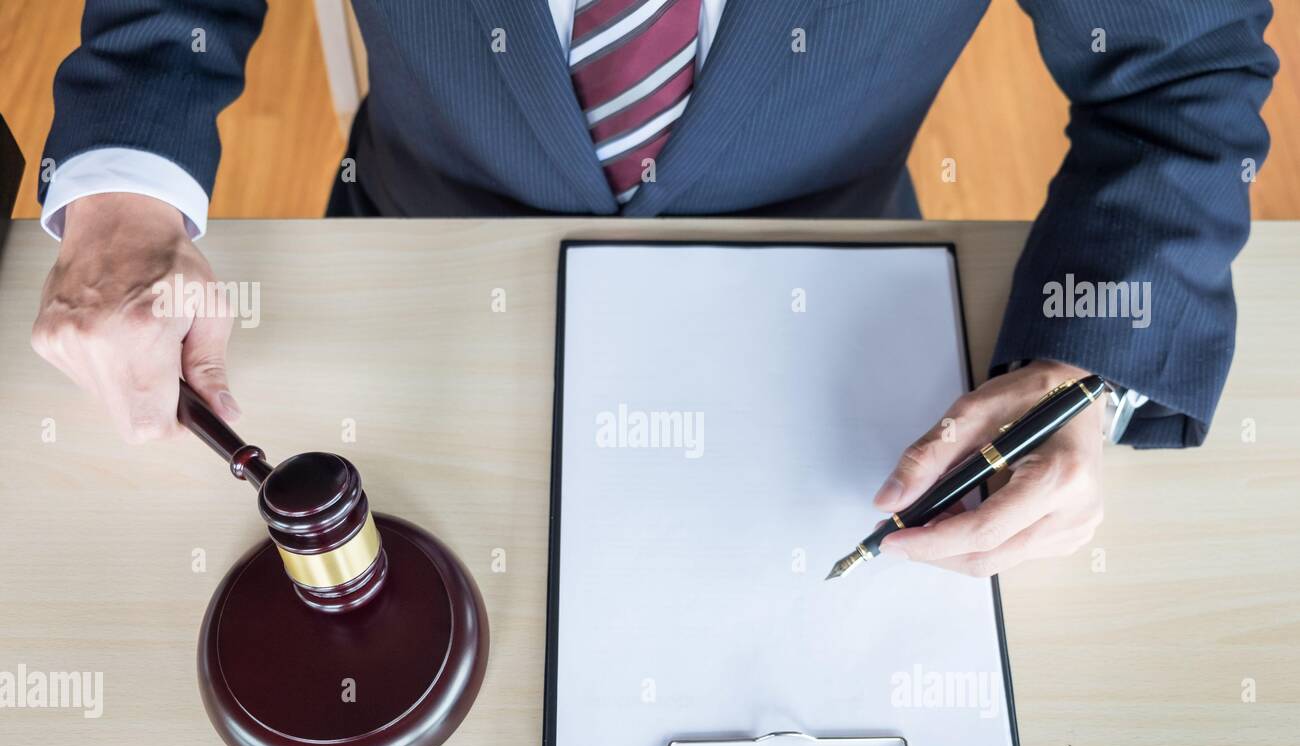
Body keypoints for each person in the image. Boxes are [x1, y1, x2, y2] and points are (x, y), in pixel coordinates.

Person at [30, 0, 1277, 576]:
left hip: (836, 296)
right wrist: (127, 206)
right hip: (417, 267)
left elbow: (1177, 74)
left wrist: (1085, 373)